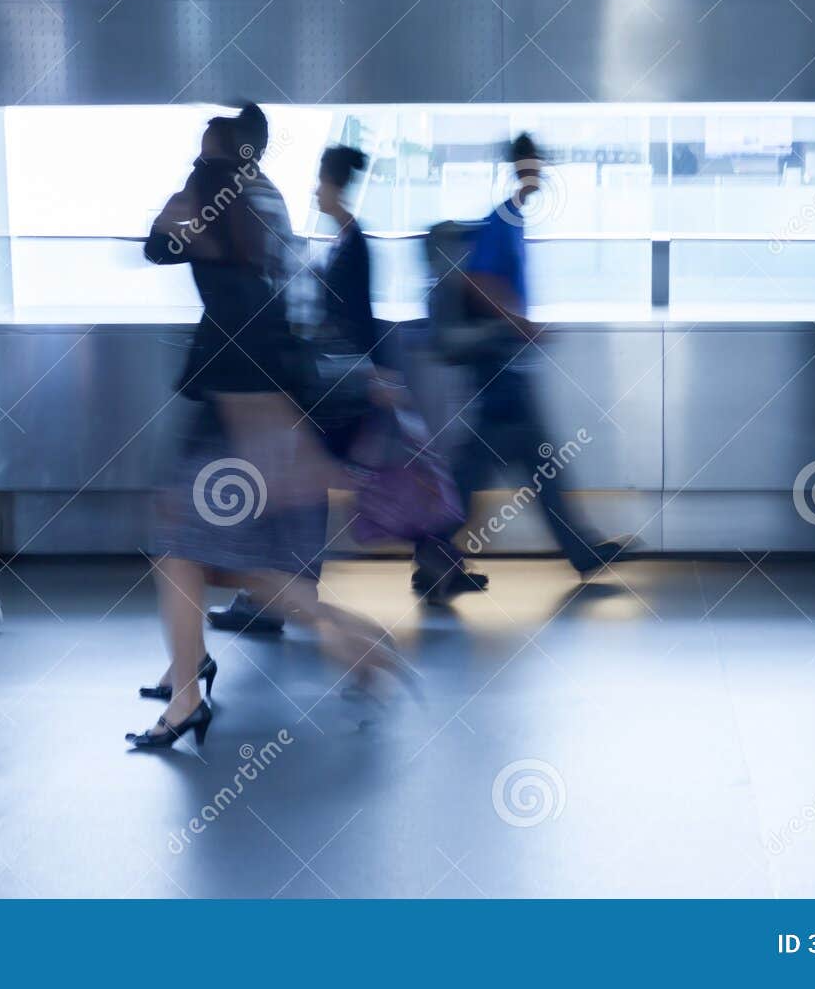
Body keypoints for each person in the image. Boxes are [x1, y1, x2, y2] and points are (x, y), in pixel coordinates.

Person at [133, 108, 409, 748]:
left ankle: (187, 694)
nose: (198, 160)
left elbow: (157, 245)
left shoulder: (209, 196)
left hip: (233, 407)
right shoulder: (269, 199)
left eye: (206, 151)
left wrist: (190, 187)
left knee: (189, 548)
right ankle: (358, 648)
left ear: (224, 153)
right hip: (267, 399)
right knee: (232, 561)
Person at [414, 133, 625, 604]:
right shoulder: (501, 220)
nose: (536, 175)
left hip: (505, 365)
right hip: (498, 366)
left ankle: (438, 559)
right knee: (492, 469)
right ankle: (433, 557)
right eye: (529, 166)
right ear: (517, 168)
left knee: (527, 463)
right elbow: (477, 282)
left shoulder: (512, 220)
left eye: (539, 167)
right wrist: (520, 322)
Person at [207, 143, 401, 636]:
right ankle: (281, 593)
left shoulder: (353, 246)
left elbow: (356, 319)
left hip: (337, 388)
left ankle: (277, 597)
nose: (315, 190)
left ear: (335, 186)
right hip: (335, 384)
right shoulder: (343, 243)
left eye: (320, 181)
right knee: (300, 488)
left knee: (298, 490)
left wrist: (375, 374)